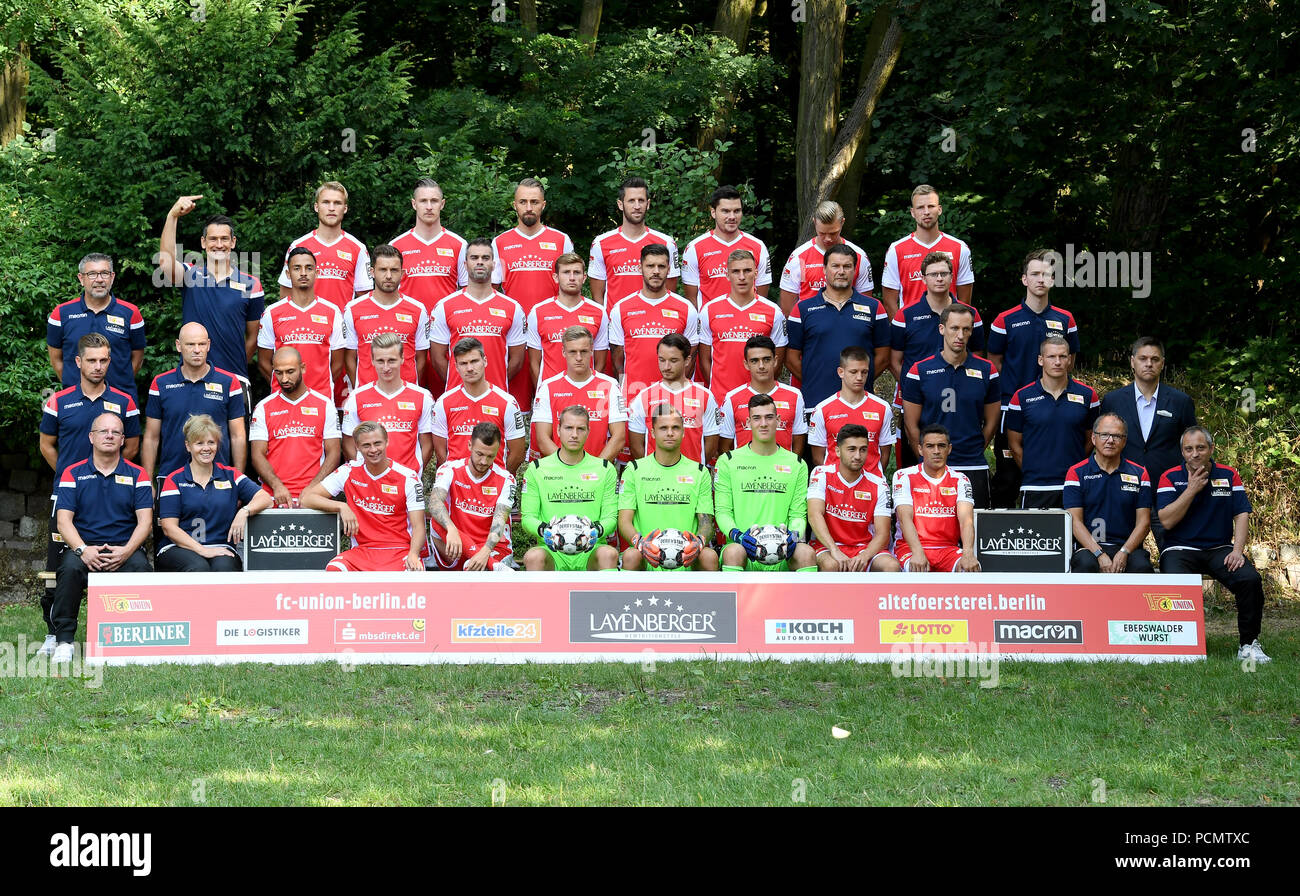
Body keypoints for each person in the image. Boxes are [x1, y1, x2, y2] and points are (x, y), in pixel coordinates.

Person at [38, 334, 141, 646]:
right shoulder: (59, 400)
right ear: (78, 362)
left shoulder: (125, 402)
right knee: (58, 567)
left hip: (110, 493)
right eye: (92, 360)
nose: (98, 366)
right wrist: (75, 479)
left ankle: (123, 629)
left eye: (103, 360)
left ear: (110, 362)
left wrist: (100, 478)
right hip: (67, 495)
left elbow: (132, 446)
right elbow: (46, 445)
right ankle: (53, 633)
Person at [1157, 426, 1269, 663]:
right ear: (1182, 452)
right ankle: (1182, 646)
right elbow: (1166, 521)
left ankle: (1249, 645)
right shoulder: (1169, 476)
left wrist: (1238, 550)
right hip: (1180, 549)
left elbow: (1241, 513)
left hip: (1220, 549)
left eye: (1200, 448)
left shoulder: (1229, 475)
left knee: (1249, 579)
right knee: (1174, 585)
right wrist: (1191, 489)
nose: (1195, 454)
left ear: (1211, 449)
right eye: (1189, 449)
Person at [49, 413, 152, 662]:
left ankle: (135, 637)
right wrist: (83, 550)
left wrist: (126, 551)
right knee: (70, 569)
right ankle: (64, 640)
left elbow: (145, 522)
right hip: (84, 549)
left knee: (141, 568)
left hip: (124, 549)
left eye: (115, 432)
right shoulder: (72, 473)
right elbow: (63, 521)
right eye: (103, 431)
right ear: (91, 437)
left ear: (123, 440)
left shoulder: (138, 474)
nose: (109, 435)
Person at [987, 248, 1080, 508]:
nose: (1041, 279)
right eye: (1035, 274)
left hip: (1053, 407)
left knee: (1054, 474)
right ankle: (1002, 537)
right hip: (1013, 408)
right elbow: (995, 364)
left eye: (1047, 274)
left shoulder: (1065, 319)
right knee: (1008, 477)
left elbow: (1069, 360)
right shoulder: (1004, 320)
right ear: (1024, 279)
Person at [889, 251, 984, 470]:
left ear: (952, 277)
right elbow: (894, 360)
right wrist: (915, 388)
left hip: (961, 397)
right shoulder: (906, 315)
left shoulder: (970, 314)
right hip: (919, 400)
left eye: (944, 273)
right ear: (923, 278)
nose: (939, 278)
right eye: (933, 274)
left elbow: (978, 355)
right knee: (915, 462)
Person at [1099, 336, 1197, 549]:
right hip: (1124, 490)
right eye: (1143, 358)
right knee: (1124, 557)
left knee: (1174, 556)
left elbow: (1193, 447)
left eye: (1154, 359)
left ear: (1162, 363)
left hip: (1167, 493)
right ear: (1132, 361)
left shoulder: (1181, 402)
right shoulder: (1112, 401)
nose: (1149, 363)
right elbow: (1103, 444)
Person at [158, 197, 264, 385]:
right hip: (192, 379)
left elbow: (253, 337)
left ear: (233, 242)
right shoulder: (190, 275)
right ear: (203, 242)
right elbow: (166, 263)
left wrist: (236, 365)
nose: (219, 244)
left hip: (234, 378)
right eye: (213, 239)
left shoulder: (251, 284)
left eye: (224, 239)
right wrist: (172, 215)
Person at [901, 304, 999, 508]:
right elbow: (911, 426)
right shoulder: (919, 371)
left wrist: (976, 448)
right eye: (954, 328)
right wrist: (926, 458)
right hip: (933, 467)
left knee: (974, 530)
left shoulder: (987, 370)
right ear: (942, 329)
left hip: (973, 464)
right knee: (932, 532)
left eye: (966, 329)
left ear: (972, 331)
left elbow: (992, 421)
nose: (960, 335)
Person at [493, 177, 575, 408]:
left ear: (543, 205)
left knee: (556, 404)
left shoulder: (561, 240)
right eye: (523, 202)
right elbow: (492, 293)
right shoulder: (500, 242)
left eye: (534, 202)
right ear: (514, 205)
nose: (529, 207)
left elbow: (571, 286)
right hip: (514, 336)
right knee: (515, 406)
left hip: (552, 333)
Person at [303, 421, 426, 572]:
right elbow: (307, 498)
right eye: (366, 445)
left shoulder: (408, 477)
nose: (373, 450)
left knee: (412, 573)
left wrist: (413, 554)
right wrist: (341, 506)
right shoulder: (348, 471)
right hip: (361, 550)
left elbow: (419, 527)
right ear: (357, 447)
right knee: (334, 569)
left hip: (398, 550)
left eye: (377, 443)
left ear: (387, 442)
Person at [157, 415, 274, 571]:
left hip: (221, 547)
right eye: (199, 443)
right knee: (198, 567)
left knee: (224, 569)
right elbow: (169, 528)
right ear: (188, 446)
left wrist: (244, 512)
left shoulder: (230, 475)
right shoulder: (174, 479)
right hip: (179, 547)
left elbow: (265, 498)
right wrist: (203, 550)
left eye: (211, 442)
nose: (206, 448)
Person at [714, 394, 816, 572]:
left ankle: (802, 601)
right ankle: (737, 600)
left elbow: (798, 515)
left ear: (778, 421)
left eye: (769, 417)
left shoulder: (797, 464)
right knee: (733, 552)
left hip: (782, 549)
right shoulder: (728, 461)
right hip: (744, 548)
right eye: (757, 418)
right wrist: (738, 537)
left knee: (806, 553)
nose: (763, 423)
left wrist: (793, 536)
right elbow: (722, 512)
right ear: (747, 422)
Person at [786, 244, 890, 410]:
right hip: (815, 402)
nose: (841, 271)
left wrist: (860, 380)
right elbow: (790, 357)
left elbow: (884, 356)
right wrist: (814, 379)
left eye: (847, 266)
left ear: (855, 270)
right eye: (835, 266)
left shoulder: (874, 307)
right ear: (824, 269)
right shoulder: (802, 309)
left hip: (860, 403)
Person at [141, 323, 247, 487]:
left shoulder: (229, 382)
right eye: (190, 344)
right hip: (170, 478)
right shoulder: (161, 383)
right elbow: (151, 437)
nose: (197, 350)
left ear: (208, 345)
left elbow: (238, 436)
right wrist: (147, 483)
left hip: (218, 480)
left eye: (201, 344)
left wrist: (238, 480)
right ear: (178, 346)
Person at [618, 404, 720, 572]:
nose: (670, 433)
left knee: (709, 555)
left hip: (687, 556)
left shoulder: (699, 472)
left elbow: (706, 523)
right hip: (647, 555)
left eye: (675, 428)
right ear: (652, 432)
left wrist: (698, 543)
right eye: (663, 428)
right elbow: (624, 521)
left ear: (683, 431)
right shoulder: (634, 470)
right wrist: (641, 544)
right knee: (630, 555)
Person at [391, 178, 469, 396]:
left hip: (443, 337)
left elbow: (465, 293)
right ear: (414, 204)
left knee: (446, 398)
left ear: (442, 204)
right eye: (423, 201)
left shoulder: (458, 245)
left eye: (434, 201)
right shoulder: (397, 246)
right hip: (406, 335)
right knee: (406, 398)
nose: (429, 206)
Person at [1004, 335, 1100, 509]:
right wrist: (1031, 469)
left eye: (1063, 356)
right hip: (1035, 486)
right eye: (1051, 357)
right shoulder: (1021, 397)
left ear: (1069, 360)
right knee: (1036, 536)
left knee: (1074, 536)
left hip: (1074, 484)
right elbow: (1014, 445)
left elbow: (1091, 440)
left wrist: (1075, 468)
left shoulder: (1088, 395)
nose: (1057, 362)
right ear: (1041, 360)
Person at [519, 406, 620, 571]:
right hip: (552, 550)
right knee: (533, 556)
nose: (574, 434)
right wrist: (546, 531)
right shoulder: (537, 469)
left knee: (608, 554)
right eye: (568, 428)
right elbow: (528, 518)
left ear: (588, 431)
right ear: (558, 430)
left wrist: (596, 530)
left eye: (580, 429)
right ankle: (539, 598)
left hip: (590, 550)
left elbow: (611, 518)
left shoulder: (605, 469)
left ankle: (605, 598)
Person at [430, 238, 526, 395]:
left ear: (494, 265)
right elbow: (437, 359)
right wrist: (461, 386)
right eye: (474, 258)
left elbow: (517, 361)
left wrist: (493, 386)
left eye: (485, 258)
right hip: (457, 399)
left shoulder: (513, 308)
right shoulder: (444, 306)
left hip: (496, 398)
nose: (480, 262)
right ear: (465, 264)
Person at [47, 252, 146, 403]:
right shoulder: (61, 314)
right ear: (81, 279)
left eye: (104, 273)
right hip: (75, 402)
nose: (99, 280)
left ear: (112, 277)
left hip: (120, 402)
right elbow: (56, 360)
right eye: (92, 274)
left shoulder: (130, 313)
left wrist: (117, 385)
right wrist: (76, 386)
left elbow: (137, 359)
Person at [609, 243, 699, 407]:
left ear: (669, 269)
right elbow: (617, 360)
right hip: (633, 399)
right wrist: (625, 391)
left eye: (661, 266)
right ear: (640, 268)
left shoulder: (687, 309)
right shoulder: (620, 309)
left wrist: (674, 390)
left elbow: (691, 358)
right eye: (650, 266)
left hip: (673, 399)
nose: (656, 271)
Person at [248, 347, 341, 507]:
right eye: (279, 372)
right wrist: (277, 485)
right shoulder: (263, 407)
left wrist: (314, 489)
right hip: (274, 496)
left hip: (314, 497)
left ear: (303, 368)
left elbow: (334, 453)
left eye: (290, 371)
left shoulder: (325, 405)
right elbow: (257, 455)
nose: (284, 378)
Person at [1063, 412, 1155, 573]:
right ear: (1093, 438)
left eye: (1117, 436)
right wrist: (1099, 553)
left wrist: (1124, 552)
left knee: (1142, 566)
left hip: (1127, 548)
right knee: (1085, 564)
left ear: (1124, 441)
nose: (1110, 440)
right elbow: (1075, 522)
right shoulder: (1076, 472)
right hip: (1089, 548)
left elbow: (1144, 522)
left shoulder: (1140, 474)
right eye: (1104, 434)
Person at [698, 249, 788, 404]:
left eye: (747, 271)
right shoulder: (709, 310)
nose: (741, 277)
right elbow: (705, 360)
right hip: (721, 400)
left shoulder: (774, 312)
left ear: (756, 273)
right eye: (735, 271)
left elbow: (777, 363)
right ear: (727, 275)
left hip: (759, 403)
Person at [807, 424, 900, 572]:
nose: (858, 456)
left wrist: (865, 556)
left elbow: (882, 533)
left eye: (863, 450)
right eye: (851, 449)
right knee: (832, 565)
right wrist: (834, 550)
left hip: (863, 548)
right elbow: (814, 514)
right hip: (827, 546)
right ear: (837, 451)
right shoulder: (821, 474)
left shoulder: (879, 484)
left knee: (891, 566)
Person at [258, 247, 345, 402]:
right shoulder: (272, 313)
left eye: (309, 268)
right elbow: (264, 362)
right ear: (288, 274)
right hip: (282, 399)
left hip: (321, 399)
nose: (303, 273)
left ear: (316, 273)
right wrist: (285, 386)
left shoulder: (333, 312)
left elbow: (337, 364)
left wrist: (315, 390)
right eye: (297, 268)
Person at [341, 333, 436, 476]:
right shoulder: (356, 397)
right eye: (380, 361)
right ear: (372, 360)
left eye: (391, 360)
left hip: (407, 481)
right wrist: (365, 474)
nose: (386, 367)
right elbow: (349, 443)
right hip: (369, 480)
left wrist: (412, 474)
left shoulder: (423, 397)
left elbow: (427, 445)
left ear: (402, 359)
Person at [427, 422, 516, 571]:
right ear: (469, 446)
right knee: (437, 520)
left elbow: (500, 519)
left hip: (492, 547)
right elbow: (434, 503)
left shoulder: (506, 479)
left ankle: (491, 563)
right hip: (459, 543)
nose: (484, 462)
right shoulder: (449, 469)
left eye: (490, 456)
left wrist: (485, 552)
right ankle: (493, 566)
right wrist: (451, 529)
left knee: (478, 568)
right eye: (479, 454)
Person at [891, 424, 980, 573]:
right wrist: (918, 552)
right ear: (920, 449)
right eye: (930, 446)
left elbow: (966, 521)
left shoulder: (960, 479)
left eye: (941, 446)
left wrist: (968, 553)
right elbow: (904, 518)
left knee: (970, 568)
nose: (936, 451)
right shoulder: (903, 476)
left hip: (948, 550)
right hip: (910, 548)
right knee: (917, 569)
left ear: (949, 449)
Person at [432, 337, 527, 472]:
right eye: (463, 363)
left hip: (494, 487)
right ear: (456, 367)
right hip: (457, 485)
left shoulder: (507, 403)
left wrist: (498, 479)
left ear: (485, 361)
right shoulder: (443, 403)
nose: (470, 368)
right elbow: (441, 453)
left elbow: (517, 453)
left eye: (474, 361)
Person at [343, 243, 430, 389]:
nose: (388, 276)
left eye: (394, 270)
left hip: (407, 397)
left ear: (402, 274)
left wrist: (411, 389)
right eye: (383, 270)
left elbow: (421, 359)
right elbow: (349, 358)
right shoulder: (352, 309)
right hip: (367, 397)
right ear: (372, 272)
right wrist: (361, 389)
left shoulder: (418, 309)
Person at [879, 184, 974, 318]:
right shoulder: (896, 250)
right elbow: (889, 301)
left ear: (939, 209)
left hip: (949, 330)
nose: (926, 212)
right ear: (912, 212)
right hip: (912, 330)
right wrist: (902, 329)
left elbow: (965, 301)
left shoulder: (960, 248)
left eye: (931, 206)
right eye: (920, 207)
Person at [532, 327, 626, 461]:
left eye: (583, 351)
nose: (578, 357)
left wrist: (596, 469)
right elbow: (542, 439)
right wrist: (566, 467)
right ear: (563, 352)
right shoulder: (547, 387)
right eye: (572, 352)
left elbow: (619, 437)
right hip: (561, 473)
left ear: (592, 351)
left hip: (597, 473)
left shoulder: (610, 386)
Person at [588, 176, 680, 310]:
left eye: (641, 201)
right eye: (631, 201)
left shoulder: (667, 243)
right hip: (616, 325)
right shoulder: (601, 243)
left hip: (656, 323)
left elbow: (670, 291)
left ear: (648, 204)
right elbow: (597, 296)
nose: (637, 206)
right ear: (620, 204)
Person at [627, 333, 720, 465]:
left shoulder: (705, 396)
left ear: (687, 360)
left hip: (690, 478)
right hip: (654, 478)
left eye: (673, 360)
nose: (666, 367)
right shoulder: (643, 397)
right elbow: (636, 446)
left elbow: (711, 444)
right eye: (662, 360)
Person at [808, 346, 896, 477]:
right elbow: (818, 457)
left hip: (870, 485)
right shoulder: (822, 409)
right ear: (841, 372)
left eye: (864, 372)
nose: (859, 377)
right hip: (834, 486)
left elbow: (885, 454)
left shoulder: (883, 408)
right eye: (853, 372)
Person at [777, 200, 874, 318]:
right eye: (822, 233)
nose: (828, 239)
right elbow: (788, 308)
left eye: (833, 233)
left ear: (842, 223)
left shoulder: (858, 256)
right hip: (810, 329)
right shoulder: (799, 257)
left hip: (847, 327)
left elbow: (866, 304)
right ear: (814, 222)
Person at [681, 185, 772, 306]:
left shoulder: (758, 246)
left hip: (747, 322)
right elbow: (691, 299)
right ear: (713, 212)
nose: (732, 217)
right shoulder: (695, 248)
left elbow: (762, 296)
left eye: (737, 211)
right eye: (725, 211)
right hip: (710, 322)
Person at [527, 253, 609, 386]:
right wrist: (544, 392)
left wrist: (589, 387)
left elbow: (600, 361)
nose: (572, 278)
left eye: (576, 272)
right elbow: (534, 363)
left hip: (586, 391)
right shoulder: (538, 312)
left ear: (584, 277)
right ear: (556, 277)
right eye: (566, 272)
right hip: (553, 393)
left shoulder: (599, 312)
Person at [718, 335, 807, 455]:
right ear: (746, 364)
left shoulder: (795, 396)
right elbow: (725, 444)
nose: (761, 366)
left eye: (766, 359)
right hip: (745, 471)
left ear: (775, 361)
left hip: (782, 471)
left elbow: (799, 439)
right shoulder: (732, 398)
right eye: (754, 361)